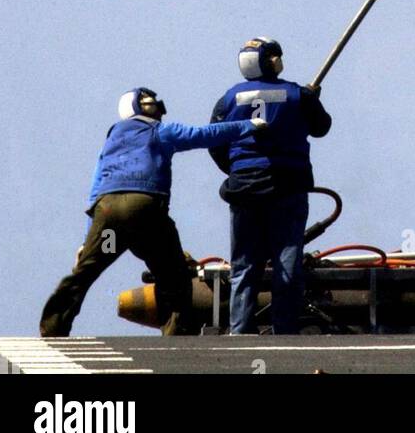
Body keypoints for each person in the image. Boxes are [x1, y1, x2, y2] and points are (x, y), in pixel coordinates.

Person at [40, 87, 263, 338]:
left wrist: (86, 240)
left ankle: (53, 327)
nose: (157, 105)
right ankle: (175, 336)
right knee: (174, 276)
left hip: (109, 214)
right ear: (137, 107)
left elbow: (96, 186)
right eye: (149, 102)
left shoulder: (112, 139)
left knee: (86, 271)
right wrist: (249, 125)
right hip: (145, 212)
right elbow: (204, 134)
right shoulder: (160, 131)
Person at [210, 37, 332, 335]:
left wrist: (237, 169)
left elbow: (215, 141)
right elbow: (322, 127)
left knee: (244, 264)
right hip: (287, 188)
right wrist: (312, 98)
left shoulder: (228, 99)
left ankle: (239, 330)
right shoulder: (296, 95)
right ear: (273, 61)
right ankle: (284, 331)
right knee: (287, 260)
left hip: (244, 190)